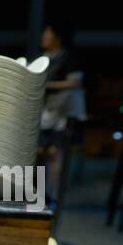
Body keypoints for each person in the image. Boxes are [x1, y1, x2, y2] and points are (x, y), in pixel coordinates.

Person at [38, 24, 86, 207]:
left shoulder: (68, 58)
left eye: (48, 34)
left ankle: (54, 196)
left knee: (57, 155)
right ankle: (42, 193)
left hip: (62, 113)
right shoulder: (43, 58)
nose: (44, 37)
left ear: (57, 37)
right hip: (44, 113)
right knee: (43, 152)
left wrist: (46, 84)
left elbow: (74, 83)